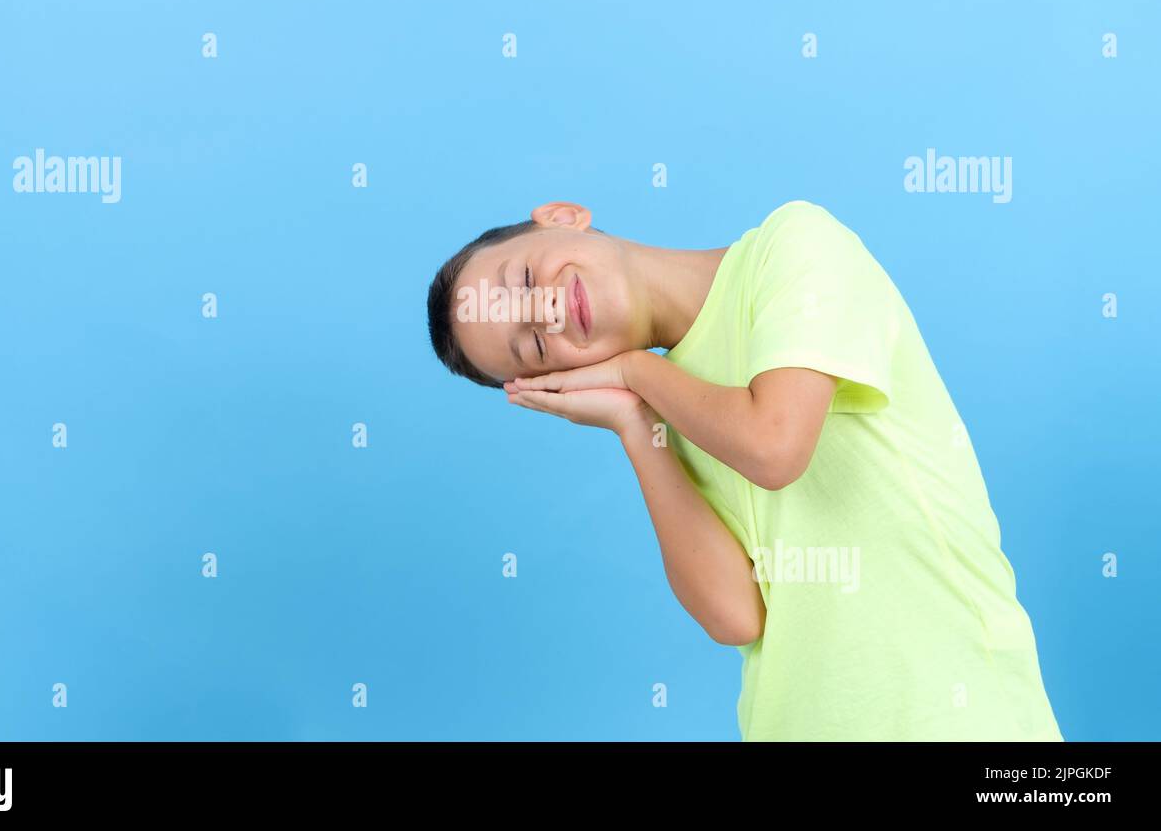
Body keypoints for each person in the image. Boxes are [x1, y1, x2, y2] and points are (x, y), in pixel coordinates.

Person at [426, 198, 1063, 741]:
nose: (546, 315)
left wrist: (637, 370)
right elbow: (737, 616)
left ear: (562, 218)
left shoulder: (795, 245)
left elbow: (774, 447)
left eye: (526, 280)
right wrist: (635, 426)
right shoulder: (669, 410)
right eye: (535, 346)